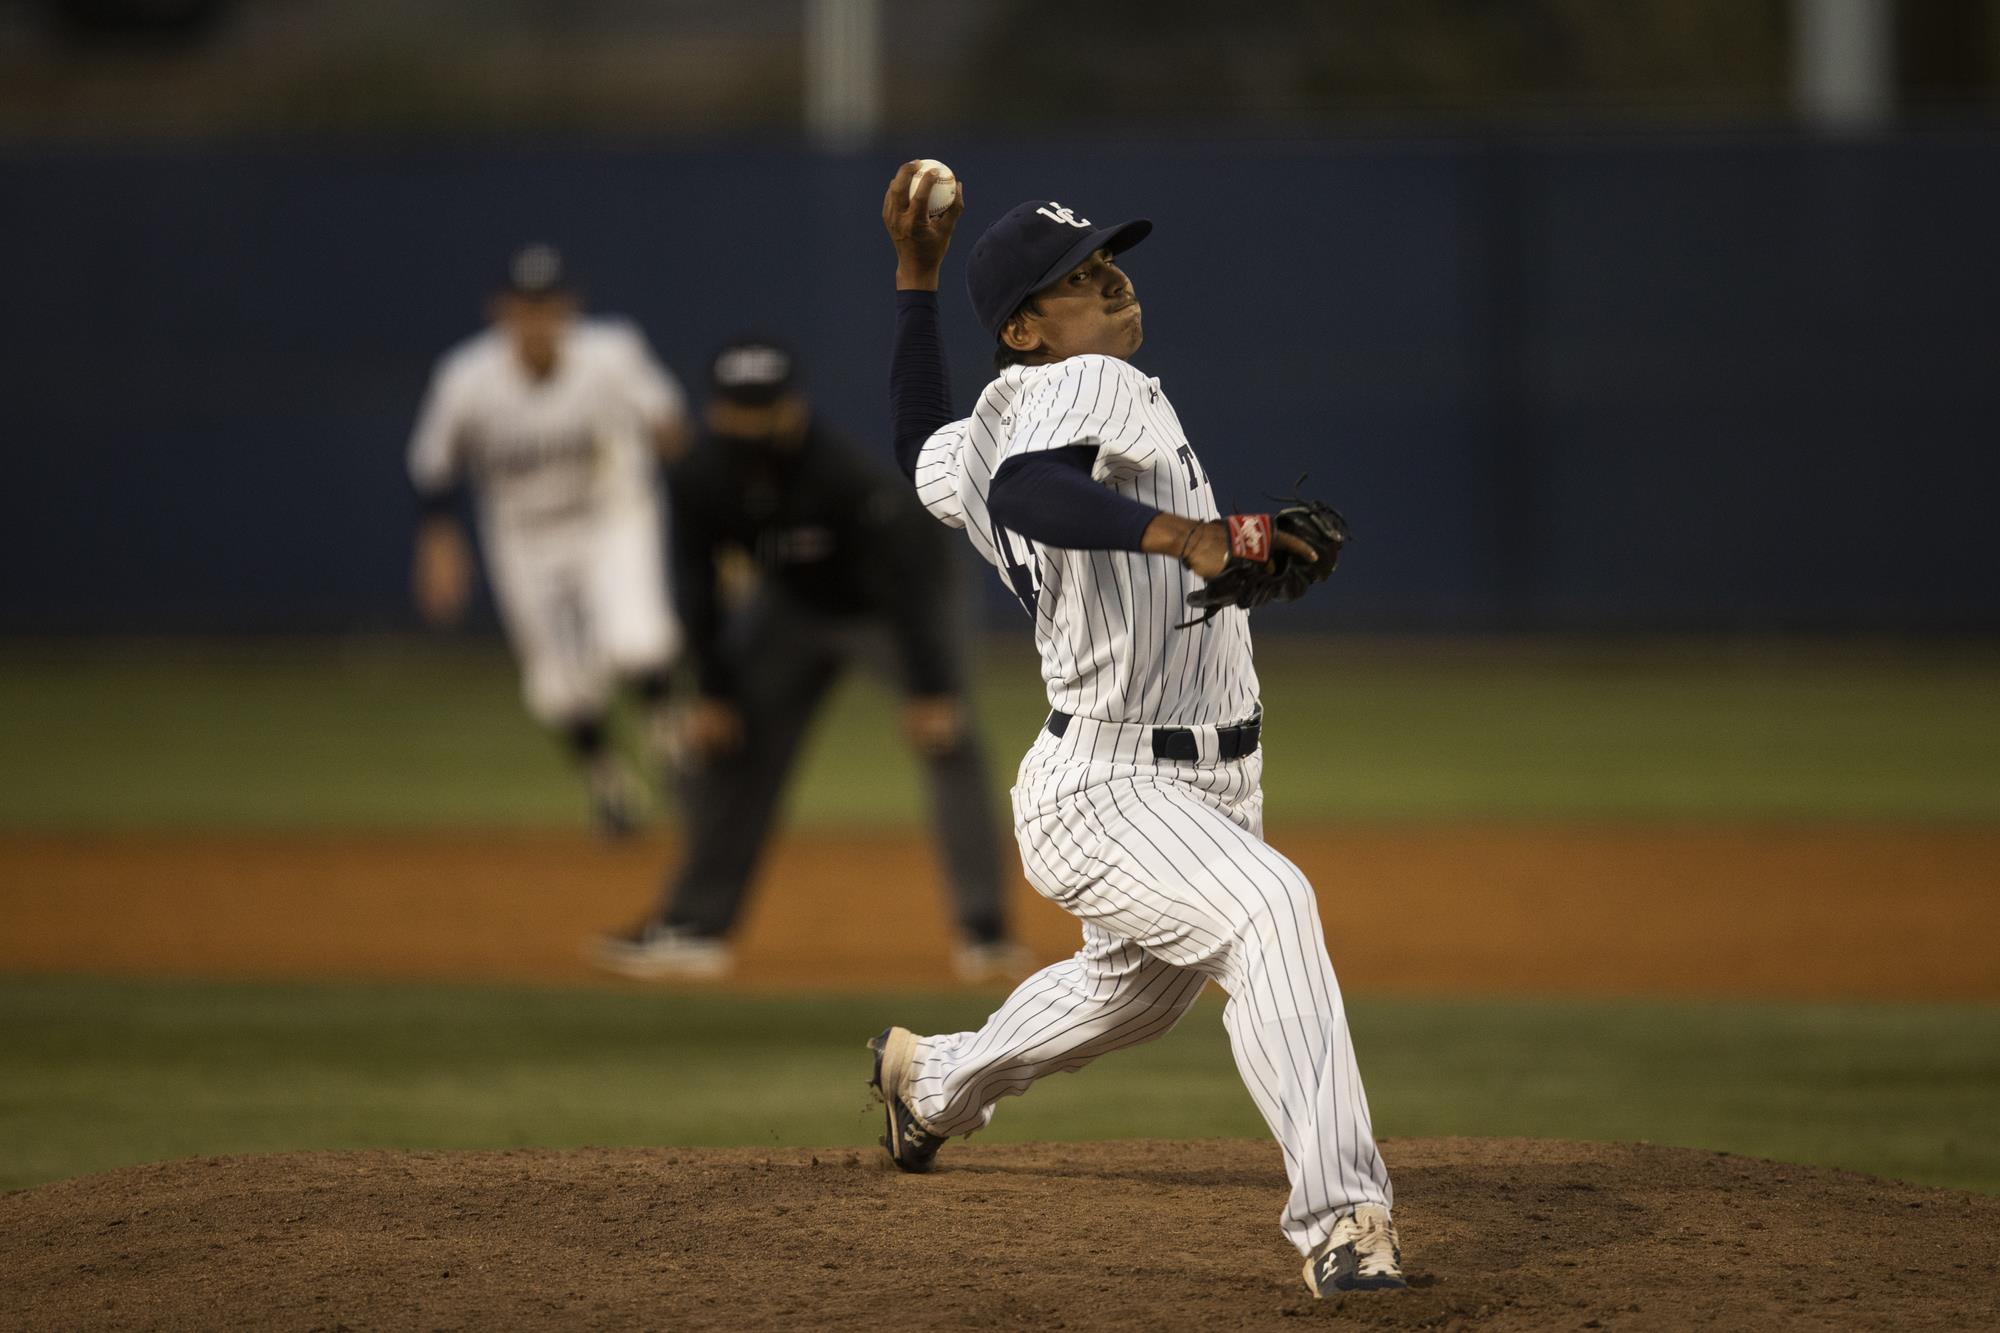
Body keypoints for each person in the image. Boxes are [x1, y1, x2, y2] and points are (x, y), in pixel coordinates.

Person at [864, 165, 1407, 1297]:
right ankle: (1341, 1219)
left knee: (1133, 992)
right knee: (1269, 909)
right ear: (1025, 328)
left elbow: (929, 449)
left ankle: (930, 1083)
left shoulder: (1003, 411)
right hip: (1115, 782)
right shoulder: (1086, 384)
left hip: (1149, 776)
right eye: (1074, 275)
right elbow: (1029, 495)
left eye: (1107, 256)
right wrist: (1194, 538)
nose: (1108, 277)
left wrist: (914, 281)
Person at [588, 337, 1032, 985]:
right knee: (734, 741)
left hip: (892, 606)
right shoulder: (699, 476)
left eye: (765, 406)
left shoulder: (842, 474)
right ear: (715, 411)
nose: (753, 421)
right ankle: (694, 927)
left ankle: (985, 929)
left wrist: (932, 687)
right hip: (793, 609)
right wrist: (712, 689)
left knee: (950, 738)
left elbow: (909, 580)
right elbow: (697, 586)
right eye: (739, 407)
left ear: (792, 407)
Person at [408, 243, 689, 837]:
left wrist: (684, 470)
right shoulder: (467, 378)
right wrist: (439, 544)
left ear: (569, 307)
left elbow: (670, 427)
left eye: (547, 304)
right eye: (525, 305)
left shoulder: (611, 354)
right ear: (501, 311)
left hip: (612, 518)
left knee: (638, 642)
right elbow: (434, 466)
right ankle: (609, 784)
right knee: (560, 685)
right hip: (525, 537)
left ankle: (673, 749)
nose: (536, 318)